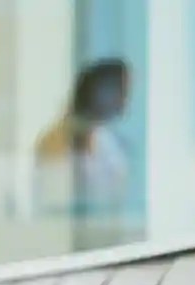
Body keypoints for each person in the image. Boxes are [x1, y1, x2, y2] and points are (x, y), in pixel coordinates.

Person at [33, 59, 130, 217]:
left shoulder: (108, 142)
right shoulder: (56, 139)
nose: (124, 101)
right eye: (120, 91)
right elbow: (54, 204)